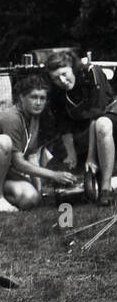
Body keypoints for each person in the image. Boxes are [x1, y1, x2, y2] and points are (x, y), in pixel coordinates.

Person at [0, 73, 78, 212]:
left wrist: (38, 191)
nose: (38, 102)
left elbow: (33, 156)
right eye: (33, 97)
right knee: (4, 142)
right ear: (22, 97)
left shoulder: (34, 118)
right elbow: (18, 163)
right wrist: (54, 175)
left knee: (30, 198)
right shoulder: (12, 117)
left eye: (42, 98)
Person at [44, 50, 116, 205]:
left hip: (110, 117)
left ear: (72, 68)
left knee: (102, 125)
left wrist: (91, 156)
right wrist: (71, 154)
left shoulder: (92, 73)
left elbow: (96, 116)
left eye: (64, 74)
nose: (62, 80)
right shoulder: (57, 91)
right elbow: (63, 124)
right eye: (56, 78)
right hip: (85, 129)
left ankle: (106, 188)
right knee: (65, 157)